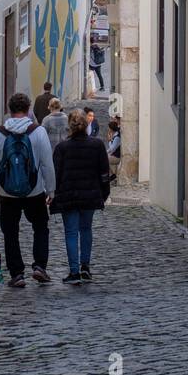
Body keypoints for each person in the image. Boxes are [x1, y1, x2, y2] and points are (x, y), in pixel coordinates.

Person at [0, 91, 56, 288]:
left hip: (7, 192)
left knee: (10, 232)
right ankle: (39, 266)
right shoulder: (38, 132)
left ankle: (17, 274)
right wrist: (51, 190)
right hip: (34, 190)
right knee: (40, 227)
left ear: (9, 110)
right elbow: (47, 164)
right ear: (28, 109)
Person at [51, 109, 111, 284]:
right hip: (89, 195)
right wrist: (104, 193)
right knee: (86, 230)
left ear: (69, 126)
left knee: (71, 232)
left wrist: (52, 195)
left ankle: (74, 271)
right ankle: (85, 267)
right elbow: (104, 172)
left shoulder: (62, 148)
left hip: (68, 195)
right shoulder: (97, 145)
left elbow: (56, 175)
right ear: (86, 125)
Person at [106, 117, 122, 183]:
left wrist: (109, 141)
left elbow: (112, 149)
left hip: (117, 157)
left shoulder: (117, 138)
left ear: (111, 129)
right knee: (101, 158)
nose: (108, 129)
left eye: (109, 128)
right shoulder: (115, 136)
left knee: (102, 160)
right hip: (114, 155)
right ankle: (111, 175)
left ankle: (112, 175)